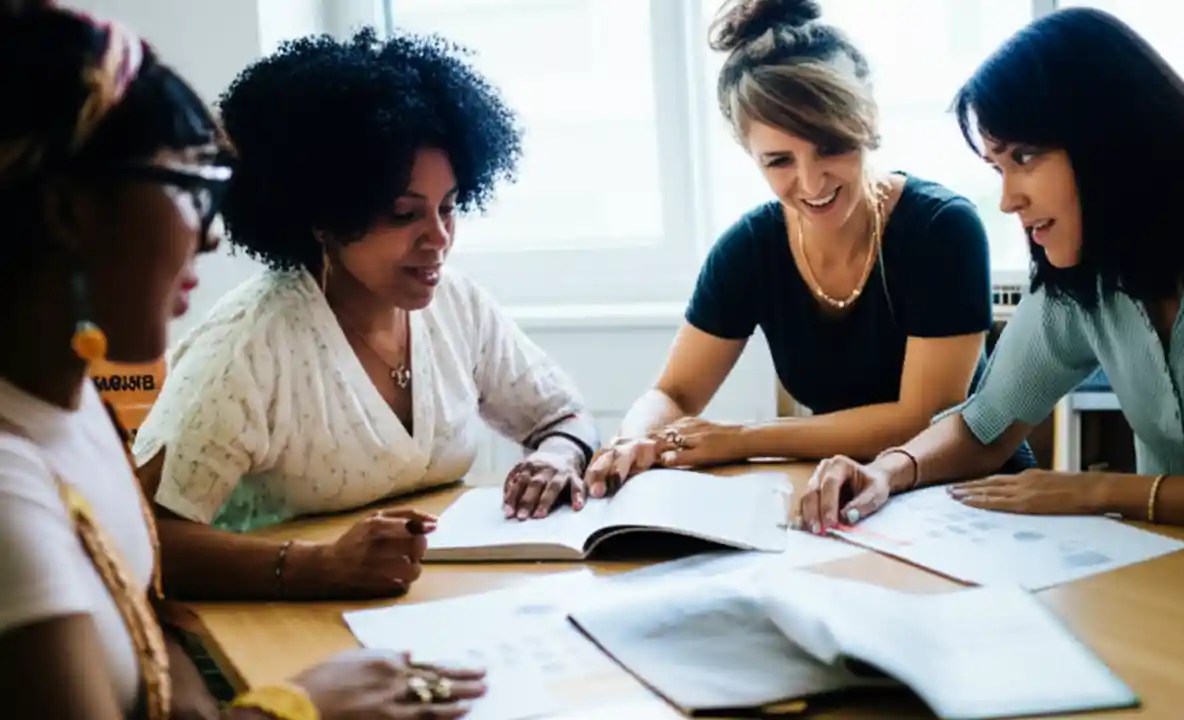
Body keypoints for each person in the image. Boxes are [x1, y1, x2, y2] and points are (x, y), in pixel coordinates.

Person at [0, 5, 484, 719]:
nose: (208, 235)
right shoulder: (10, 487)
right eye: (187, 184)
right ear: (71, 213)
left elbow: (149, 645)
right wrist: (296, 706)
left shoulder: (72, 412)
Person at [131, 29, 601, 602]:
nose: (440, 238)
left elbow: (564, 416)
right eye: (404, 214)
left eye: (449, 207)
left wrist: (556, 457)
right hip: (271, 626)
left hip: (425, 608)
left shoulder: (459, 306)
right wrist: (316, 566)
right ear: (325, 219)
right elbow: (145, 538)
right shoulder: (246, 349)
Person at [798, 7, 1184, 536]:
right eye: (998, 168)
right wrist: (886, 471)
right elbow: (986, 424)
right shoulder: (1080, 278)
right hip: (1177, 579)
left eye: (1025, 157)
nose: (1007, 200)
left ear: (1114, 139)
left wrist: (1101, 492)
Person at [586, 0, 1033, 493]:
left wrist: (741, 438)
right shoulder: (750, 249)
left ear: (866, 122)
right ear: (750, 154)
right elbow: (675, 391)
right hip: (842, 491)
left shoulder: (943, 230)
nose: (811, 181)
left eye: (831, 146)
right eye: (779, 161)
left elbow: (920, 418)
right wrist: (633, 441)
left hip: (967, 492)